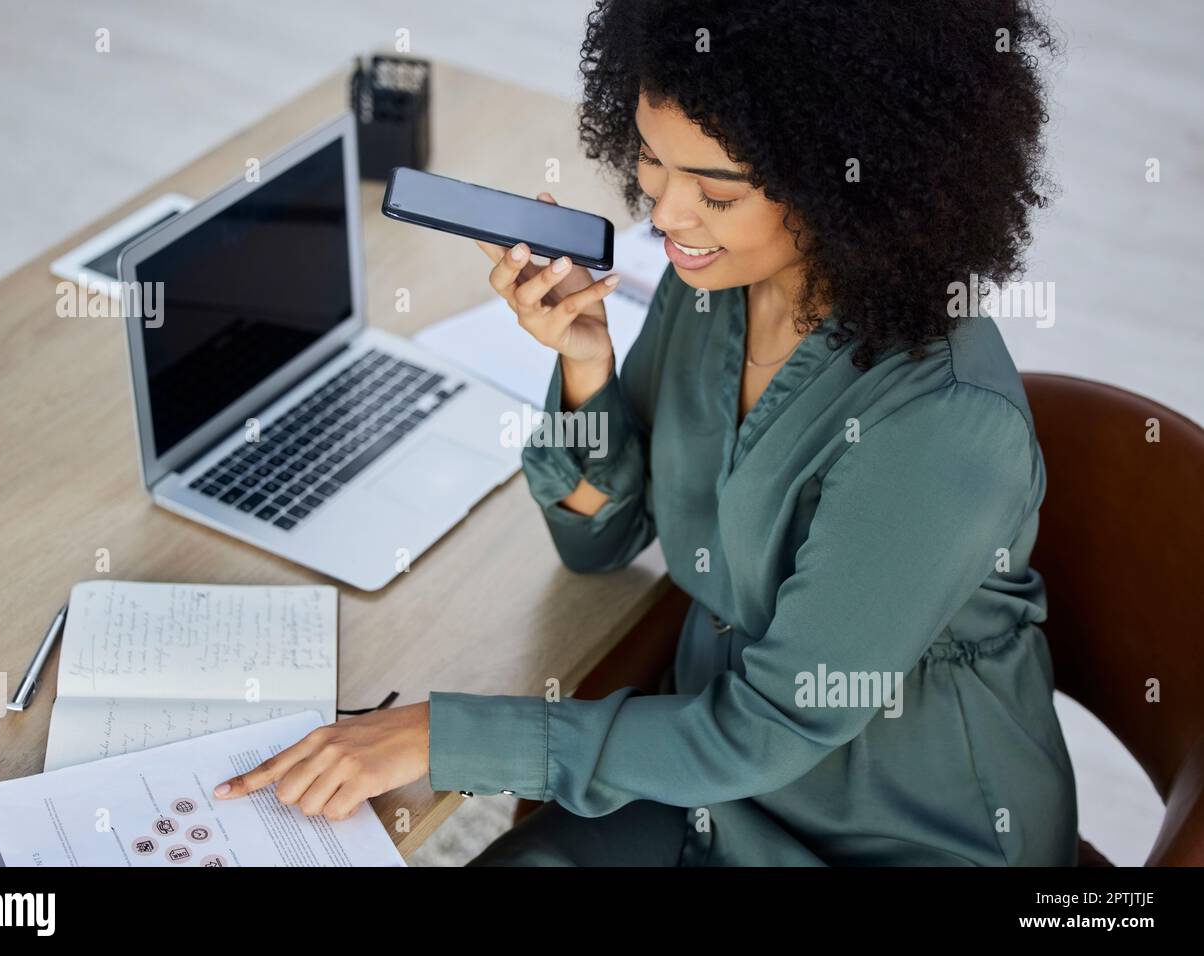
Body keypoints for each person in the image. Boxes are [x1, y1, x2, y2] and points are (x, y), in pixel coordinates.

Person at [215, 0, 1078, 866]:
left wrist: (444, 735)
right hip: (699, 779)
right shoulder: (710, 290)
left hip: (898, 835)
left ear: (846, 183)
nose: (664, 215)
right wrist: (586, 363)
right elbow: (602, 542)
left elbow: (763, 732)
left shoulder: (940, 429)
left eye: (715, 191)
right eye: (651, 162)